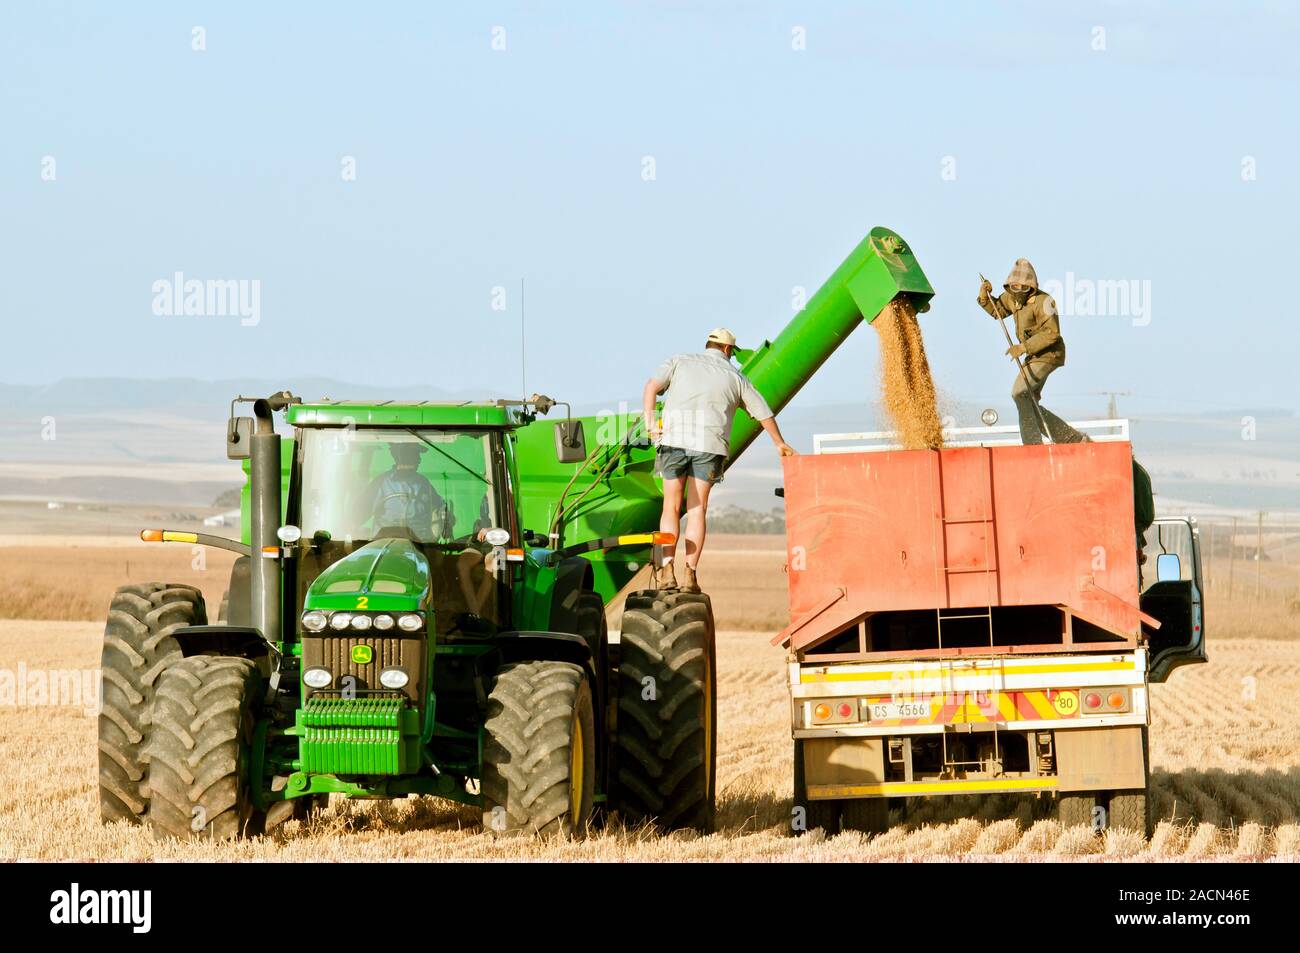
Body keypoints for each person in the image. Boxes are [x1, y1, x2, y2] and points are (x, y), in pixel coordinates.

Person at [642, 327, 796, 592]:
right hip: (709, 447)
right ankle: (690, 574)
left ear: (708, 345)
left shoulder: (679, 361)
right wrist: (779, 443)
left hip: (673, 442)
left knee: (670, 507)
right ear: (727, 350)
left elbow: (651, 387)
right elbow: (763, 413)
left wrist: (650, 423)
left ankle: (667, 572)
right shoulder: (735, 377)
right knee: (697, 510)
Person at [978, 258, 1085, 445]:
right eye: (1014, 287)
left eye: (1024, 288)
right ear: (1009, 286)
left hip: (1048, 355)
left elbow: (1052, 334)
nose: (1019, 292)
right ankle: (1072, 439)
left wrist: (1023, 347)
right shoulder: (1011, 298)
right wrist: (985, 297)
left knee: (1019, 393)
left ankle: (1032, 444)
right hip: (1032, 356)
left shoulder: (1045, 302)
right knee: (1029, 404)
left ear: (1032, 287)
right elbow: (998, 311)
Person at [364, 443, 444, 541]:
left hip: (420, 545)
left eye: (417, 456)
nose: (419, 460)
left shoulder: (423, 483)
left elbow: (440, 508)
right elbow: (361, 511)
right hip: (384, 544)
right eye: (414, 455)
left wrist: (446, 516)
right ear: (401, 457)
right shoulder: (380, 483)